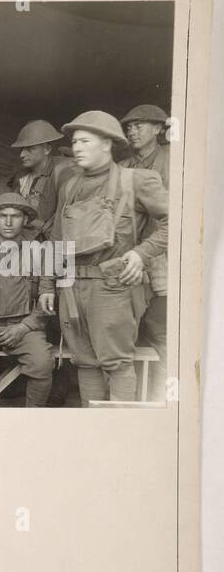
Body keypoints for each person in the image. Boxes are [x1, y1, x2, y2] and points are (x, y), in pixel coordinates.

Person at [38, 111, 168, 405]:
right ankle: (93, 430)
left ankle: (119, 436)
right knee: (85, 363)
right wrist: (47, 285)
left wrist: (140, 253)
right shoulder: (69, 185)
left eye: (85, 141)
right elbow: (57, 239)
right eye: (75, 142)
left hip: (114, 288)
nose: (77, 148)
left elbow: (176, 221)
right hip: (72, 289)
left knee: (117, 364)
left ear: (107, 144)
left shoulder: (136, 180)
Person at [0, 193, 53, 407]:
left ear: (25, 220)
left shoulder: (40, 252)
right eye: (2, 215)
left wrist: (25, 327)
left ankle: (32, 418)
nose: (8, 222)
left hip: (25, 325)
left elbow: (49, 299)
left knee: (42, 364)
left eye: (15, 216)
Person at [120, 104, 171, 399]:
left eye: (139, 125)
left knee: (160, 328)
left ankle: (165, 400)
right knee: (129, 328)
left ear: (158, 129)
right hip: (133, 255)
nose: (132, 131)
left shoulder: (174, 160)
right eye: (129, 127)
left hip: (164, 255)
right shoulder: (125, 166)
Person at [10, 119, 74, 238]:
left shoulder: (62, 173)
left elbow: (67, 222)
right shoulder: (21, 176)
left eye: (30, 148)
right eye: (21, 149)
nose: (22, 155)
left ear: (47, 149)